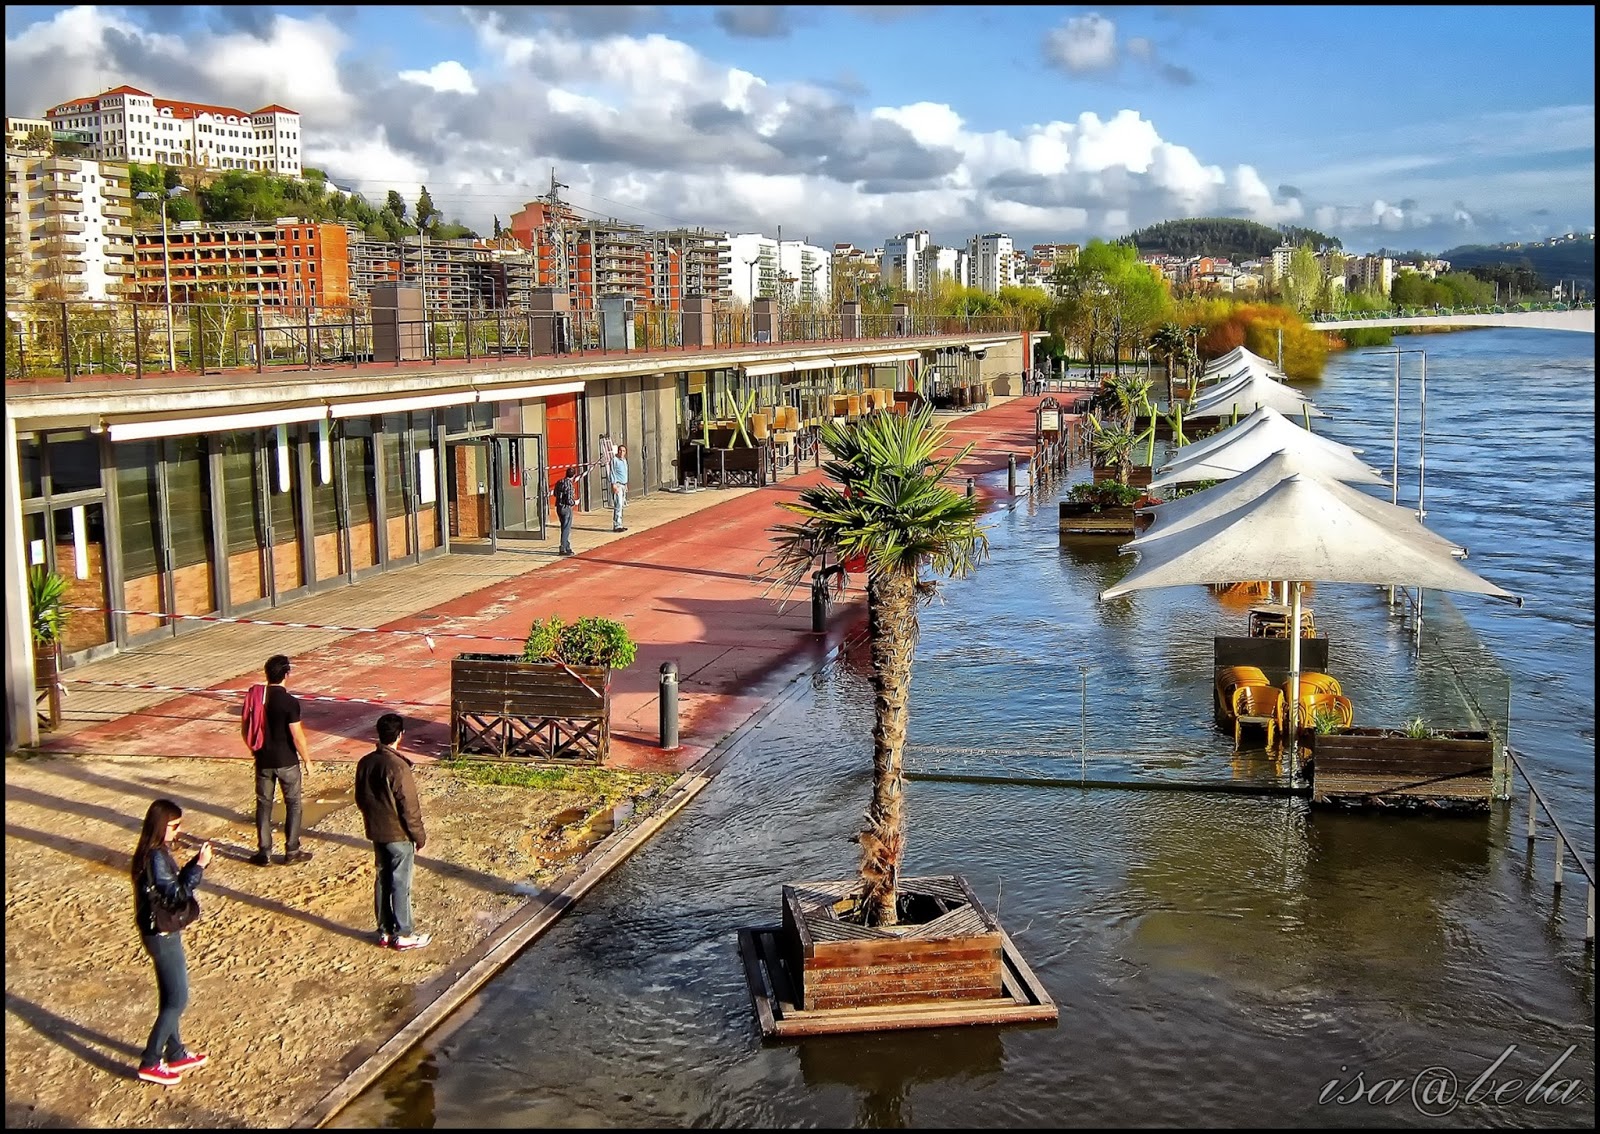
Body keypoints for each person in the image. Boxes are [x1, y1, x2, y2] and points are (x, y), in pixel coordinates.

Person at [131, 798, 213, 1086]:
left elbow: (169, 886)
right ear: (160, 825)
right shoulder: (155, 856)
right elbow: (177, 894)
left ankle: (175, 1052)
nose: (178, 830)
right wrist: (199, 866)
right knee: (178, 998)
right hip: (162, 934)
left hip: (158, 931)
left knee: (170, 995)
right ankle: (151, 1061)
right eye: (174, 825)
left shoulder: (152, 852)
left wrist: (192, 865)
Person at [354, 712, 430, 950]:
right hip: (399, 834)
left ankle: (385, 930)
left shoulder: (365, 763)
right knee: (400, 883)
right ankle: (403, 933)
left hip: (377, 831)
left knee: (382, 880)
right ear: (400, 735)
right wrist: (419, 836)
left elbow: (360, 798)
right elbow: (409, 807)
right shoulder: (398, 767)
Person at [246, 654, 312, 866]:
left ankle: (264, 852)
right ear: (287, 674)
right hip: (287, 761)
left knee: (263, 805)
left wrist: (254, 750)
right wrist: (307, 760)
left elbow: (246, 727)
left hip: (263, 760)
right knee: (293, 804)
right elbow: (297, 736)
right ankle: (292, 851)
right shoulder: (289, 702)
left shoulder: (257, 698)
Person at [554, 466, 578, 556]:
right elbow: (569, 499)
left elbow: (555, 493)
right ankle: (563, 548)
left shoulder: (559, 482)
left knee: (563, 527)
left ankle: (567, 546)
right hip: (566, 507)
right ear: (574, 475)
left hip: (559, 507)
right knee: (566, 528)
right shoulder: (569, 484)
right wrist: (575, 502)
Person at [608, 443, 630, 532]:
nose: (621, 452)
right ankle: (617, 525)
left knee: (622, 506)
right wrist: (613, 485)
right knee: (618, 504)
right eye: (620, 450)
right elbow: (612, 472)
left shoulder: (624, 460)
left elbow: (625, 472)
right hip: (618, 485)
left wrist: (626, 484)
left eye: (623, 451)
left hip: (623, 484)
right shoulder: (614, 460)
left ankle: (620, 523)